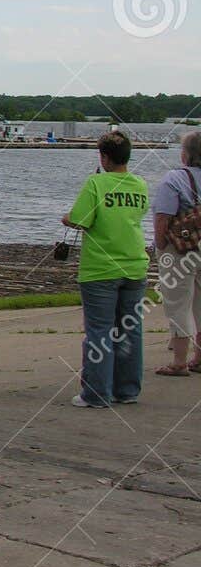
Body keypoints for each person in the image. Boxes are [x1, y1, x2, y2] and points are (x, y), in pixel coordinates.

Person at [62, 130, 149, 407]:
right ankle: (127, 389)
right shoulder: (139, 185)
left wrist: (67, 219)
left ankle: (96, 393)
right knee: (130, 330)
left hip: (101, 267)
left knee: (100, 331)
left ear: (105, 157)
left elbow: (81, 220)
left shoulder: (96, 183)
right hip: (134, 263)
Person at [151, 129, 201, 378]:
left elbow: (163, 217)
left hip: (181, 249)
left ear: (187, 155)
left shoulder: (174, 179)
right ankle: (199, 357)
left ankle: (179, 361)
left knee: (177, 302)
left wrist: (160, 246)